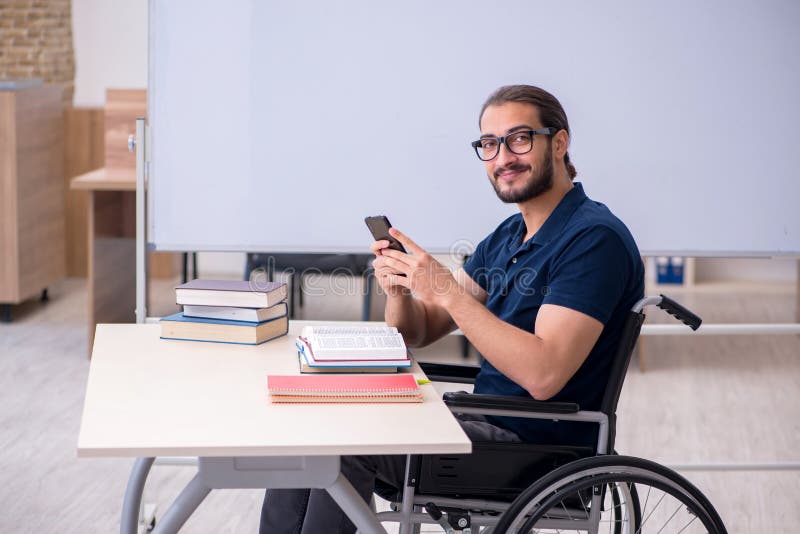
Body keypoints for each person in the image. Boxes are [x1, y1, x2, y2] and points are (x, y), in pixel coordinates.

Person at [259, 84, 644, 533]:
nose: (503, 157)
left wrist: (445, 288)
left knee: (348, 442)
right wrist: (400, 289)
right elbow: (419, 332)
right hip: (477, 422)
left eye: (519, 139)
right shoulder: (507, 236)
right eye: (489, 144)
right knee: (312, 425)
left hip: (532, 447)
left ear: (559, 143)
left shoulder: (593, 240)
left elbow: (545, 374)